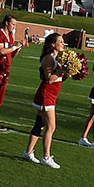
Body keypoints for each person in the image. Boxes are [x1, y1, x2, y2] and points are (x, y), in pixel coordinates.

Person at [22, 33, 66, 169]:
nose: (63, 44)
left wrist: (68, 71)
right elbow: (49, 79)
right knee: (51, 127)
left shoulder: (56, 58)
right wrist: (62, 69)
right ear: (53, 44)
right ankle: (46, 156)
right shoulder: (48, 58)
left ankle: (28, 152)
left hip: (51, 95)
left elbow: (59, 79)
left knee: (39, 124)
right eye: (60, 41)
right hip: (46, 95)